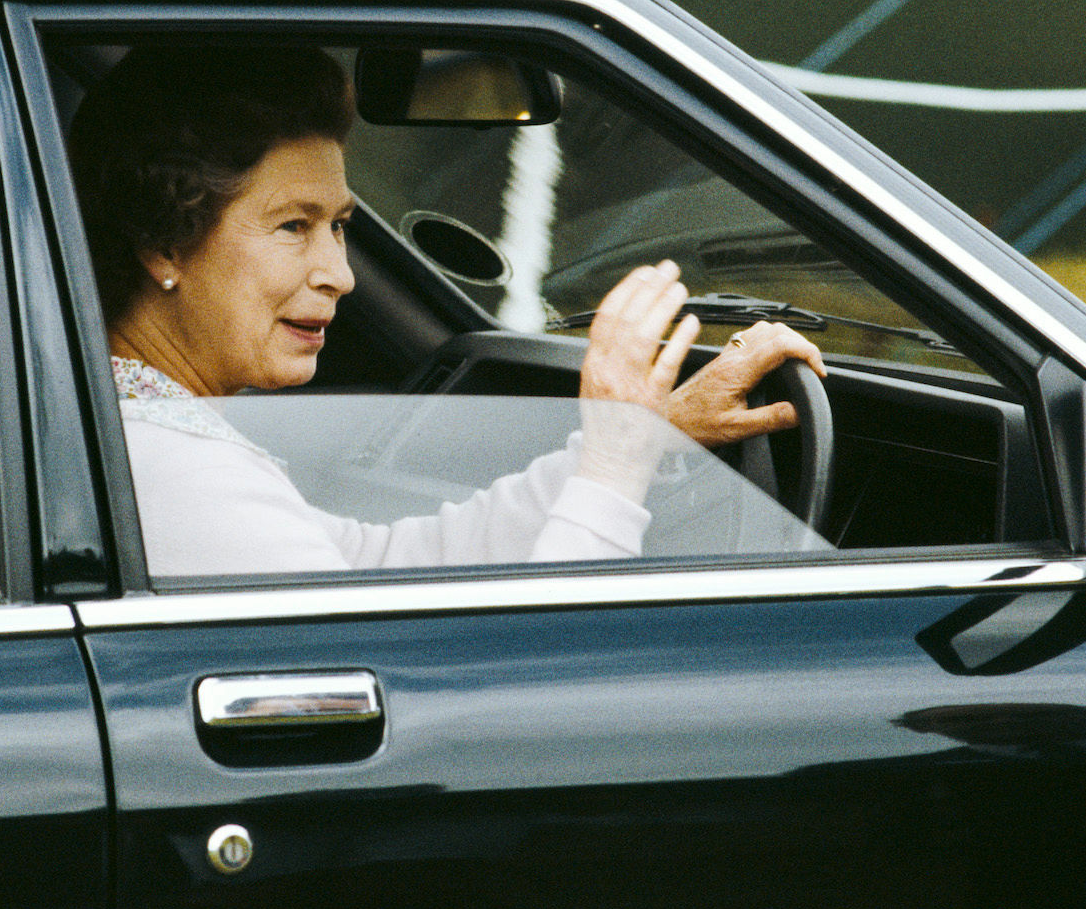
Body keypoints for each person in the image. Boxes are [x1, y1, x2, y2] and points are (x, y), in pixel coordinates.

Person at [67, 43, 825, 577]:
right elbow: (517, 706)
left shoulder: (148, 438)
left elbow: (376, 565)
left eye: (338, 227)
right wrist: (613, 466)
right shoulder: (175, 474)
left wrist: (648, 439)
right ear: (165, 241)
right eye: (293, 226)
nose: (339, 275)